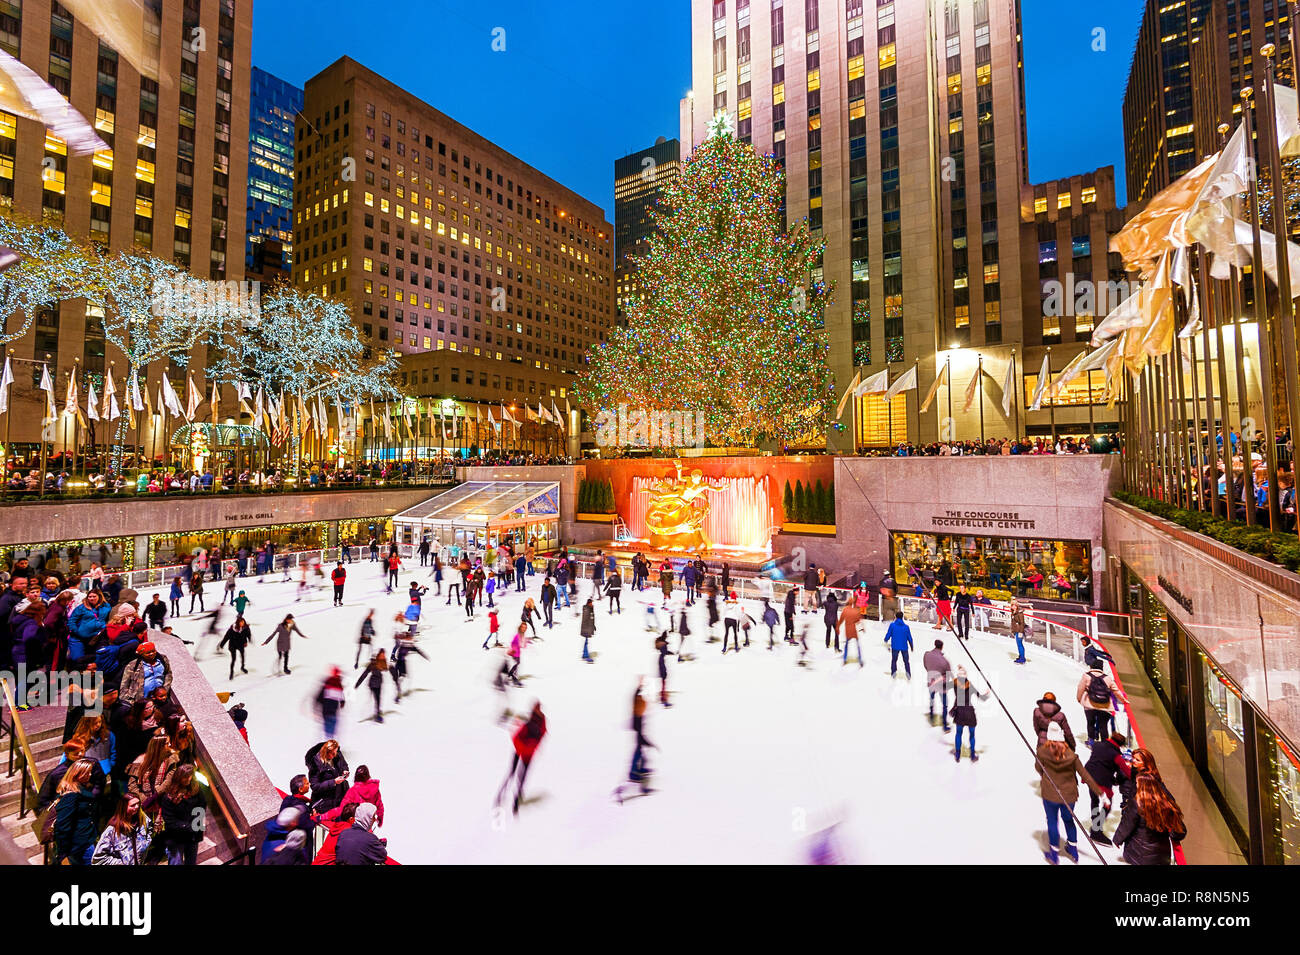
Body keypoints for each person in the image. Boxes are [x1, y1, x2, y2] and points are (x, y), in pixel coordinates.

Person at [1035, 722, 1105, 864]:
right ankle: (1073, 849)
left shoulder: (1042, 751)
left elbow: (1038, 768)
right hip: (1069, 796)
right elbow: (1085, 775)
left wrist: (1046, 774)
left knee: (1052, 822)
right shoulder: (1072, 756)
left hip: (1050, 794)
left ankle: (1053, 853)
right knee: (1068, 820)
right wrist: (1100, 793)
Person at [1113, 749, 1186, 865]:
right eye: (1133, 759)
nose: (1134, 761)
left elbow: (1128, 822)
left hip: (1139, 852)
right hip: (1160, 854)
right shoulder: (1162, 802)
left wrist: (1117, 839)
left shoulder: (1140, 799)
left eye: (1137, 760)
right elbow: (1180, 830)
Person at [496, 701, 546, 814]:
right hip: (520, 751)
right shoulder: (527, 720)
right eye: (536, 708)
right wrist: (524, 747)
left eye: (539, 708)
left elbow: (541, 735)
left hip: (528, 754)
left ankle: (515, 803)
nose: (538, 710)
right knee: (512, 773)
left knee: (522, 778)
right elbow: (516, 736)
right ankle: (501, 796)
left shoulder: (542, 721)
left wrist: (530, 746)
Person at [1084, 729, 1131, 845]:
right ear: (1120, 745)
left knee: (1094, 801)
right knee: (1107, 805)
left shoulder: (1098, 745)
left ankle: (1095, 825)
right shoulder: (1116, 756)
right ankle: (1096, 830)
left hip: (1089, 776)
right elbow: (1127, 772)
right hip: (1102, 781)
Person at [614, 683, 656, 804]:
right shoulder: (638, 715)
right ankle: (637, 778)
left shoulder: (638, 712)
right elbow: (640, 734)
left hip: (639, 738)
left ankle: (637, 772)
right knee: (640, 755)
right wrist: (649, 743)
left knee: (640, 755)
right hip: (639, 738)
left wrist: (639, 687)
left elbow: (634, 698)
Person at [157, 763, 206, 866]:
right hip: (176, 837)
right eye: (185, 777)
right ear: (178, 778)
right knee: (176, 862)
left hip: (192, 835)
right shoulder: (169, 796)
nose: (188, 779)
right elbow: (170, 821)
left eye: (189, 776)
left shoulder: (196, 790)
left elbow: (201, 807)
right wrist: (189, 826)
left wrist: (197, 824)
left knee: (191, 862)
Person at [91, 794, 154, 865]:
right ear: (124, 807)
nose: (137, 807)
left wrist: (146, 843)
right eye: (133, 805)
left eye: (138, 803)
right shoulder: (112, 830)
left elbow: (150, 828)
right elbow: (98, 859)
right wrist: (122, 863)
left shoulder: (143, 819)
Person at [1077, 661, 1123, 745]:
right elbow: (1116, 690)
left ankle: (1091, 741)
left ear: (1092, 666)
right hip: (1105, 706)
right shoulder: (1108, 678)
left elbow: (1080, 688)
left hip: (1089, 705)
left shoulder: (1086, 676)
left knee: (1090, 723)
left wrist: (1079, 699)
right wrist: (1123, 700)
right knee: (1103, 725)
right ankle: (1104, 744)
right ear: (1101, 668)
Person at [951, 666, 989, 761]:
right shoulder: (970, 685)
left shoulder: (955, 684)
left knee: (958, 734)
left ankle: (958, 754)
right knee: (972, 735)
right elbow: (982, 698)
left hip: (959, 712)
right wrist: (987, 694)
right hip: (970, 713)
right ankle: (972, 755)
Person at [118, 641, 172, 707]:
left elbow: (168, 673)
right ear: (141, 654)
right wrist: (128, 702)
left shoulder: (163, 659)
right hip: (142, 699)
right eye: (148, 653)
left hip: (160, 699)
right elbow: (124, 684)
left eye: (153, 651)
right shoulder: (133, 665)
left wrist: (165, 690)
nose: (151, 654)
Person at [923, 639, 952, 731]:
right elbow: (948, 675)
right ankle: (944, 725)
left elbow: (926, 666)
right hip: (941, 685)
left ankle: (931, 716)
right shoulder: (945, 661)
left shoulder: (927, 655)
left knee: (931, 699)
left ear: (934, 645)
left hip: (931, 681)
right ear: (942, 647)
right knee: (944, 705)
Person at [356, 649, 390, 723]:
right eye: (372, 660)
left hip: (375, 684)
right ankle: (377, 714)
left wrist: (357, 684)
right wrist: (357, 684)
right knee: (377, 699)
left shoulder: (373, 665)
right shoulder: (374, 665)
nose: (373, 661)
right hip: (374, 684)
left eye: (373, 660)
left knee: (376, 698)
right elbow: (364, 675)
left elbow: (364, 675)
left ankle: (376, 711)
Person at [317, 668, 346, 737]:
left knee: (328, 728)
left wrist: (318, 704)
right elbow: (342, 696)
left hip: (326, 710)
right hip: (333, 710)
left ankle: (328, 740)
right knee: (332, 727)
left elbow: (320, 695)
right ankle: (330, 740)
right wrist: (342, 702)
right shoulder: (339, 684)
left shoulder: (328, 682)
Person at [885, 610, 913, 678]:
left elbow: (888, 634)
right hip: (904, 647)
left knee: (894, 660)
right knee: (906, 661)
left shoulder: (892, 625)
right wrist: (912, 646)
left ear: (895, 616)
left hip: (895, 646)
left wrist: (886, 640)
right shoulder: (906, 627)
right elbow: (909, 637)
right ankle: (908, 673)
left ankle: (893, 673)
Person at [1009, 598, 1028, 663]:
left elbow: (1022, 623)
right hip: (1016, 630)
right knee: (1018, 644)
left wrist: (1020, 632)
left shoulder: (1019, 613)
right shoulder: (1014, 612)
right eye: (1012, 605)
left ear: (1017, 606)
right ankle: (1021, 656)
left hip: (1019, 631)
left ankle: (1022, 658)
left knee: (1020, 644)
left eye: (1014, 605)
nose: (1013, 607)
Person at [580, 597, 596, 663]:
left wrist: (593, 626)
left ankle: (584, 655)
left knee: (586, 641)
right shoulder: (587, 609)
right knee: (586, 642)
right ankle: (586, 656)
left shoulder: (590, 609)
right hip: (586, 628)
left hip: (588, 628)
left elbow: (591, 618)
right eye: (591, 603)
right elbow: (586, 619)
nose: (592, 604)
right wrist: (589, 627)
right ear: (589, 603)